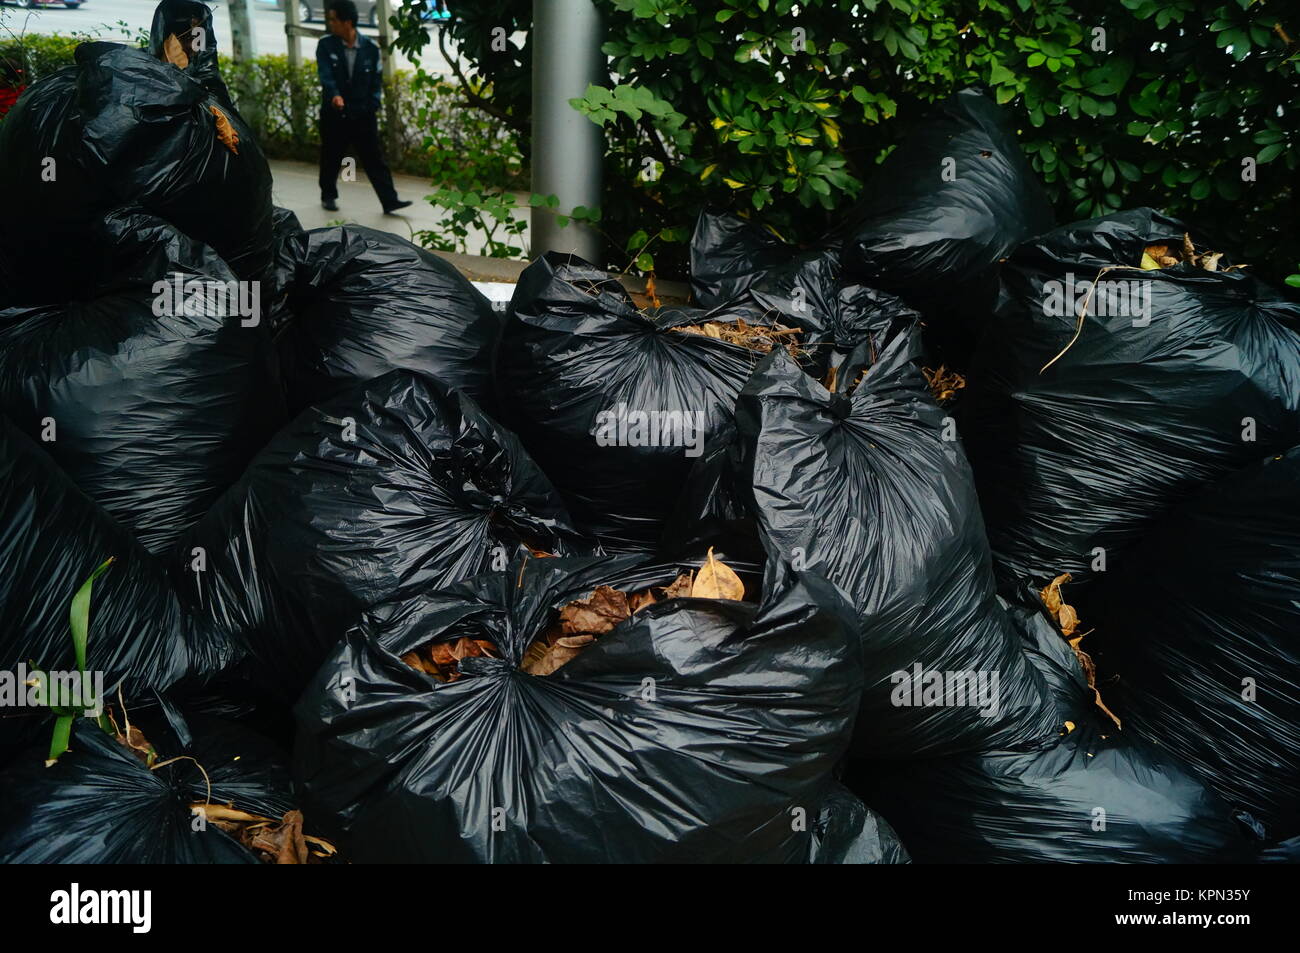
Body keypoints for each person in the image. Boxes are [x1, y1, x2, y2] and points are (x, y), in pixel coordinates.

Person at [316, 0, 411, 214]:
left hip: (363, 114)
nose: (331, 24)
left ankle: (390, 201)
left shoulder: (370, 49)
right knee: (331, 156)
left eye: (333, 19)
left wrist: (373, 106)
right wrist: (335, 96)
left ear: (347, 22)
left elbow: (375, 82)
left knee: (374, 158)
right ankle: (328, 195)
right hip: (335, 113)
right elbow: (326, 76)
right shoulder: (325, 45)